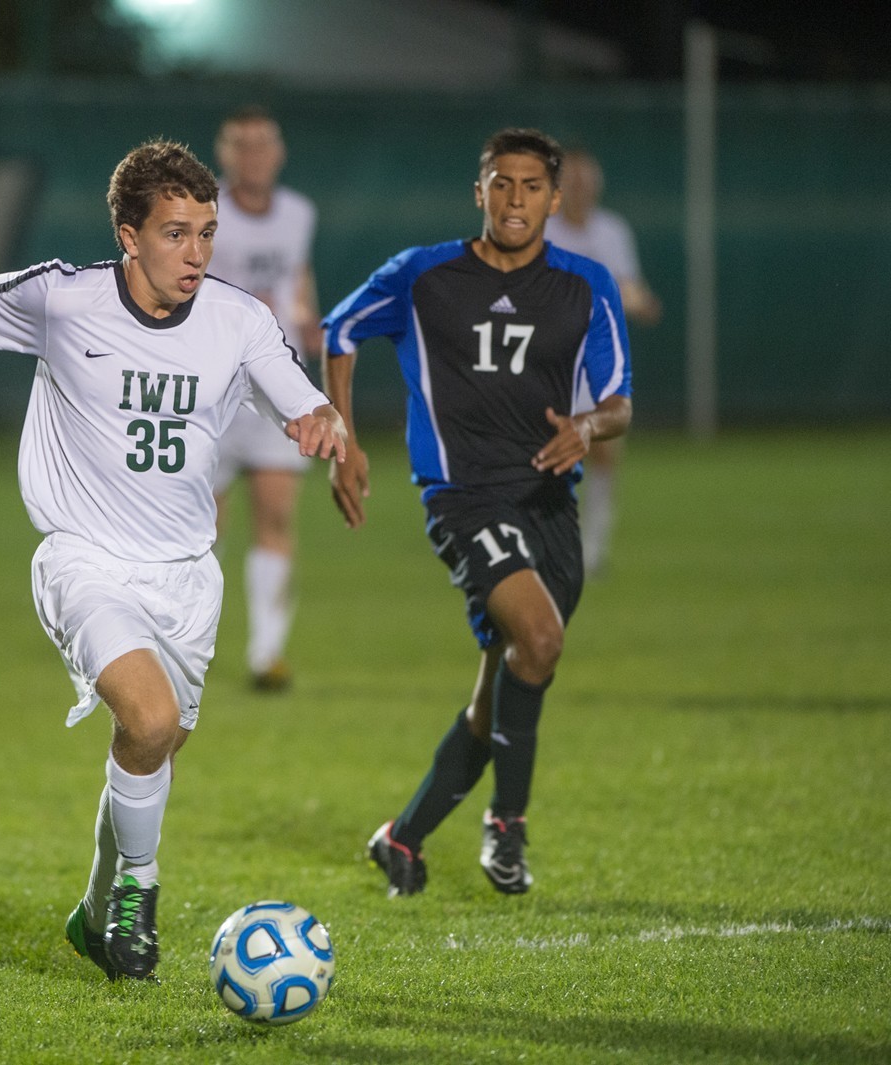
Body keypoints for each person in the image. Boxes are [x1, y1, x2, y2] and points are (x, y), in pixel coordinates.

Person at [0, 139, 347, 979]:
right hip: (84, 559)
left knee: (153, 751)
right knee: (147, 721)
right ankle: (140, 890)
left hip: (186, 576)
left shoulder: (237, 318)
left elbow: (305, 398)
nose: (197, 253)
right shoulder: (66, 299)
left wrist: (325, 424)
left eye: (207, 233)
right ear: (130, 237)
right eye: (176, 234)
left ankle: (95, 911)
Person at [320, 128, 631, 898]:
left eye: (531, 186)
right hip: (463, 498)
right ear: (480, 190)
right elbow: (339, 330)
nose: (515, 199)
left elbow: (620, 401)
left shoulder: (587, 284)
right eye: (501, 182)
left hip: (549, 503)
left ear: (555, 199)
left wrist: (586, 428)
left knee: (507, 684)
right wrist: (343, 440)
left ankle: (403, 836)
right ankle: (508, 828)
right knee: (541, 635)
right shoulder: (424, 276)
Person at [208, 105, 323, 692]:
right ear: (224, 154)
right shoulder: (206, 213)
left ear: (278, 152)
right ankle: (183, 643)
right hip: (210, 386)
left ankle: (265, 653)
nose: (253, 154)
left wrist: (308, 320)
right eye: (241, 143)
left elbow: (297, 279)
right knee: (203, 528)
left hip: (275, 380)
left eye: (263, 143)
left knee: (276, 515)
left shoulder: (299, 213)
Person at [542, 147, 661, 576]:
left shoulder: (612, 230)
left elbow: (627, 285)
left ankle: (592, 549)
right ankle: (548, 542)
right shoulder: (543, 231)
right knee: (550, 453)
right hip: (550, 360)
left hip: (599, 358)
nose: (580, 188)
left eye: (586, 180)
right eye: (572, 180)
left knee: (606, 451)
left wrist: (640, 300)